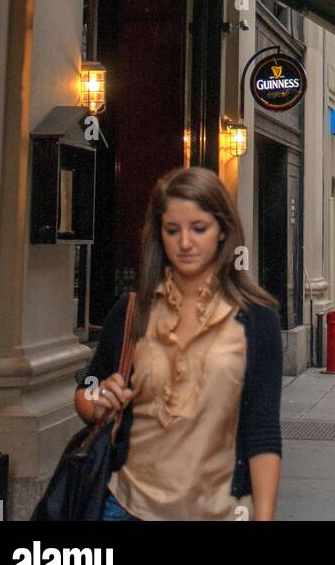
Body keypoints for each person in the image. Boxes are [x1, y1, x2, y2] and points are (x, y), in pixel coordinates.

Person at [74, 166, 283, 521]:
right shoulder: (132, 311)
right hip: (126, 508)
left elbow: (262, 432)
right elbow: (86, 393)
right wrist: (97, 401)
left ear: (222, 232)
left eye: (199, 228)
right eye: (173, 230)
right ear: (159, 234)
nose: (185, 242)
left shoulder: (256, 319)